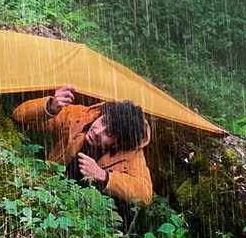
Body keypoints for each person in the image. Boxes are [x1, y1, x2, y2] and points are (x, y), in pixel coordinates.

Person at [12, 85, 153, 207]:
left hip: (92, 211)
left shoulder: (131, 152)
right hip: (51, 189)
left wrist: (103, 175)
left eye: (108, 133)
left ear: (118, 143)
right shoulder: (79, 117)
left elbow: (145, 194)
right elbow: (19, 115)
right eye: (103, 122)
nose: (97, 131)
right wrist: (51, 107)